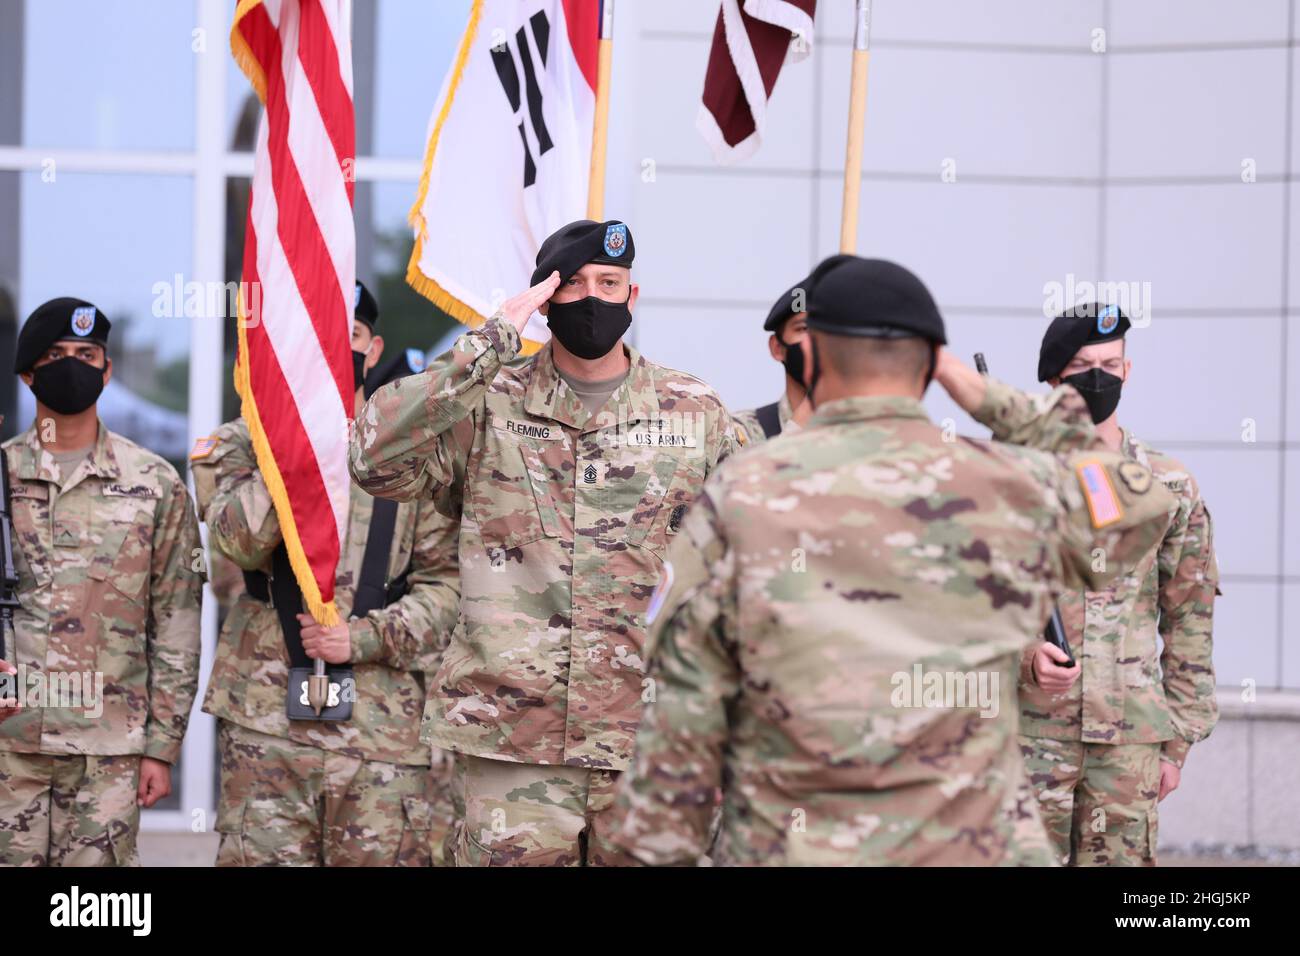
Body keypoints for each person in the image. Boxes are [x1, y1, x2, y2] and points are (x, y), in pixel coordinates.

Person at [602, 256, 1178, 866]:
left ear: (814, 355)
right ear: (931, 364)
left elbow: (683, 706)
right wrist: (993, 401)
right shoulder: (1009, 484)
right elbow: (1138, 507)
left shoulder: (745, 493)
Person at [350, 220, 736, 866]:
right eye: (576, 285)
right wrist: (488, 345)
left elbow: (744, 567)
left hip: (653, 740)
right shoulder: (487, 403)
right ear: (545, 300)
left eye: (610, 284)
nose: (595, 298)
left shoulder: (694, 411)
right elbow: (372, 456)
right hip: (511, 744)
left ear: (632, 298)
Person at [192, 282, 461, 866]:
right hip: (266, 725)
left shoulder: (413, 452)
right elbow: (237, 542)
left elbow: (447, 590)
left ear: (374, 347)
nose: (337, 350)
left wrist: (362, 637)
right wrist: (294, 444)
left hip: (380, 736)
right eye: (319, 338)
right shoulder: (241, 442)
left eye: (353, 337)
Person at [1005, 303, 1218, 866]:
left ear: (1128, 371)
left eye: (1111, 363)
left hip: (1130, 743)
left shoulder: (1168, 483)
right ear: (1053, 379)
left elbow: (1190, 616)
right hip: (1029, 738)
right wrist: (1026, 656)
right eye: (1081, 365)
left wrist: (1178, 742)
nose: (1099, 376)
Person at [0, 297, 203, 866]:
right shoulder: (2, 473)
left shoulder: (155, 483)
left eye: (87, 354)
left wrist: (162, 747)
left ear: (107, 370)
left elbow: (178, 621)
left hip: (108, 749)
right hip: (8, 743)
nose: (74, 365)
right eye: (56, 355)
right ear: (27, 374)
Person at [731, 279, 814, 446]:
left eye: (828, 332)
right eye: (804, 329)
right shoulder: (741, 431)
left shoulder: (874, 429)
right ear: (777, 347)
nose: (817, 342)